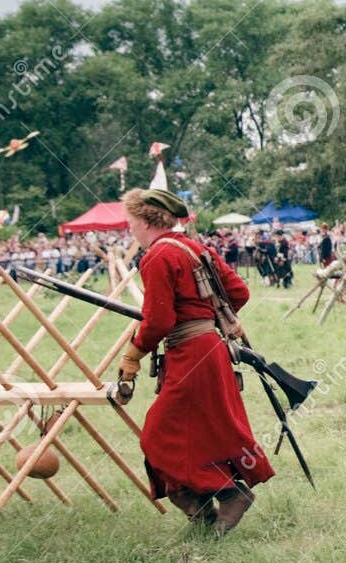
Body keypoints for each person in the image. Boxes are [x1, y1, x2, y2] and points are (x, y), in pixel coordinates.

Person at [116, 188, 274, 534]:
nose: (130, 230)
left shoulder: (157, 256)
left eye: (131, 222)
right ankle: (201, 511)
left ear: (145, 221)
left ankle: (229, 493)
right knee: (199, 433)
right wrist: (212, 320)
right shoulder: (196, 248)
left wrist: (133, 353)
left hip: (191, 355)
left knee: (157, 437)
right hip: (209, 351)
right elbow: (239, 293)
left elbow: (158, 321)